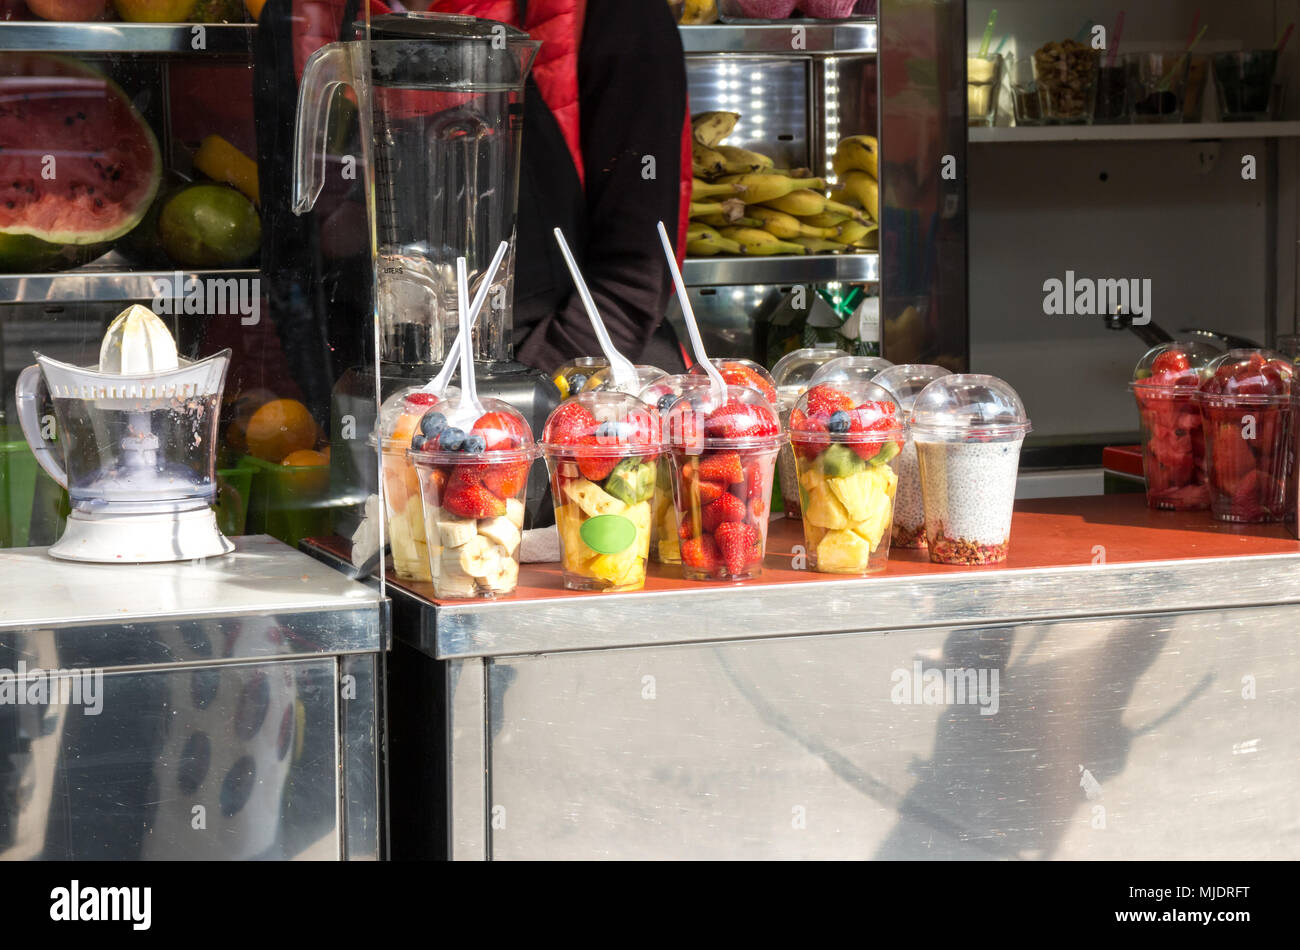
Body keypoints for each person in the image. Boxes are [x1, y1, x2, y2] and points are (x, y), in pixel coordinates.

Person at [427, 0, 691, 373]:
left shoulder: (619, 14)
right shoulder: (336, 18)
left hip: (573, 385)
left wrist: (537, 391)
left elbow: (632, 279)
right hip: (378, 395)